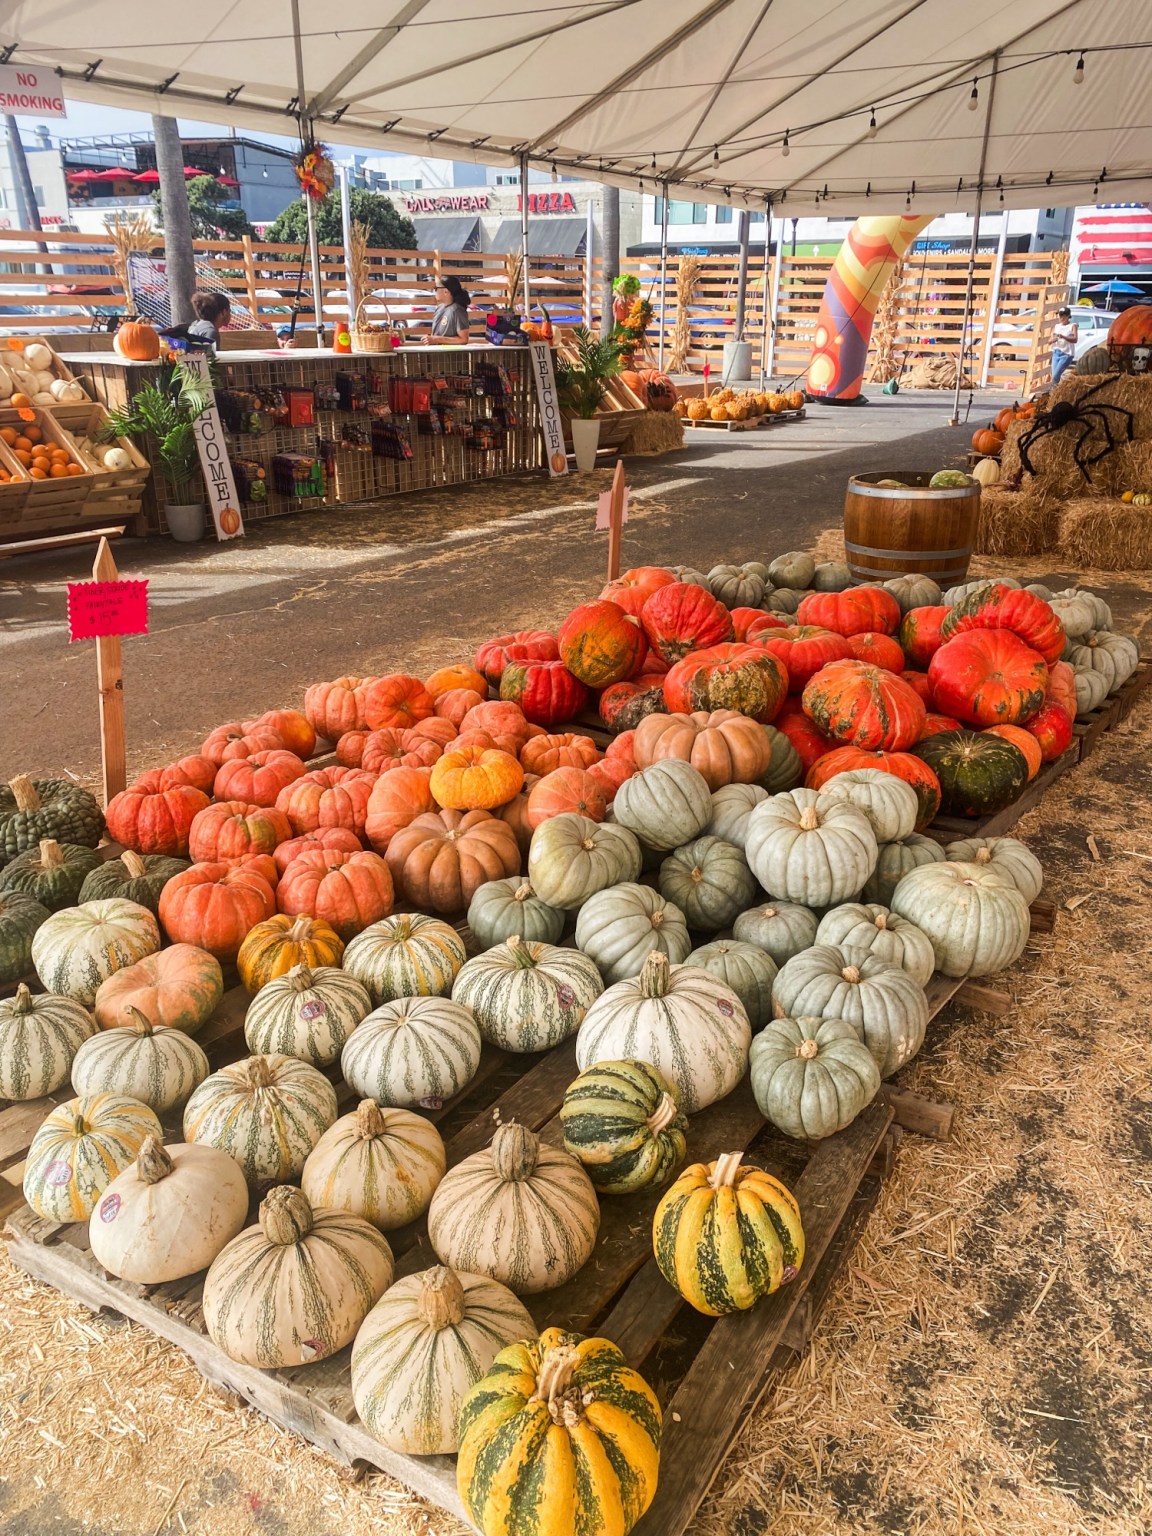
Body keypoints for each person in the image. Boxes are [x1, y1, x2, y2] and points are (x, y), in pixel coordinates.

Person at [427, 276, 471, 344]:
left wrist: (437, 339)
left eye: (436, 288)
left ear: (445, 291)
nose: (434, 291)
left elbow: (463, 339)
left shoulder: (457, 311)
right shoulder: (439, 308)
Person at [1051, 306, 1077, 384]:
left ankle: (1054, 392)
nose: (1061, 318)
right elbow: (1050, 340)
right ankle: (1055, 391)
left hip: (1066, 354)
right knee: (1054, 376)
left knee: (1056, 376)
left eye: (1063, 316)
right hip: (1056, 352)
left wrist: (1063, 337)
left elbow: (1075, 339)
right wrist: (1053, 339)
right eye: (1060, 315)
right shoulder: (1057, 326)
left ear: (1068, 316)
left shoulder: (1072, 326)